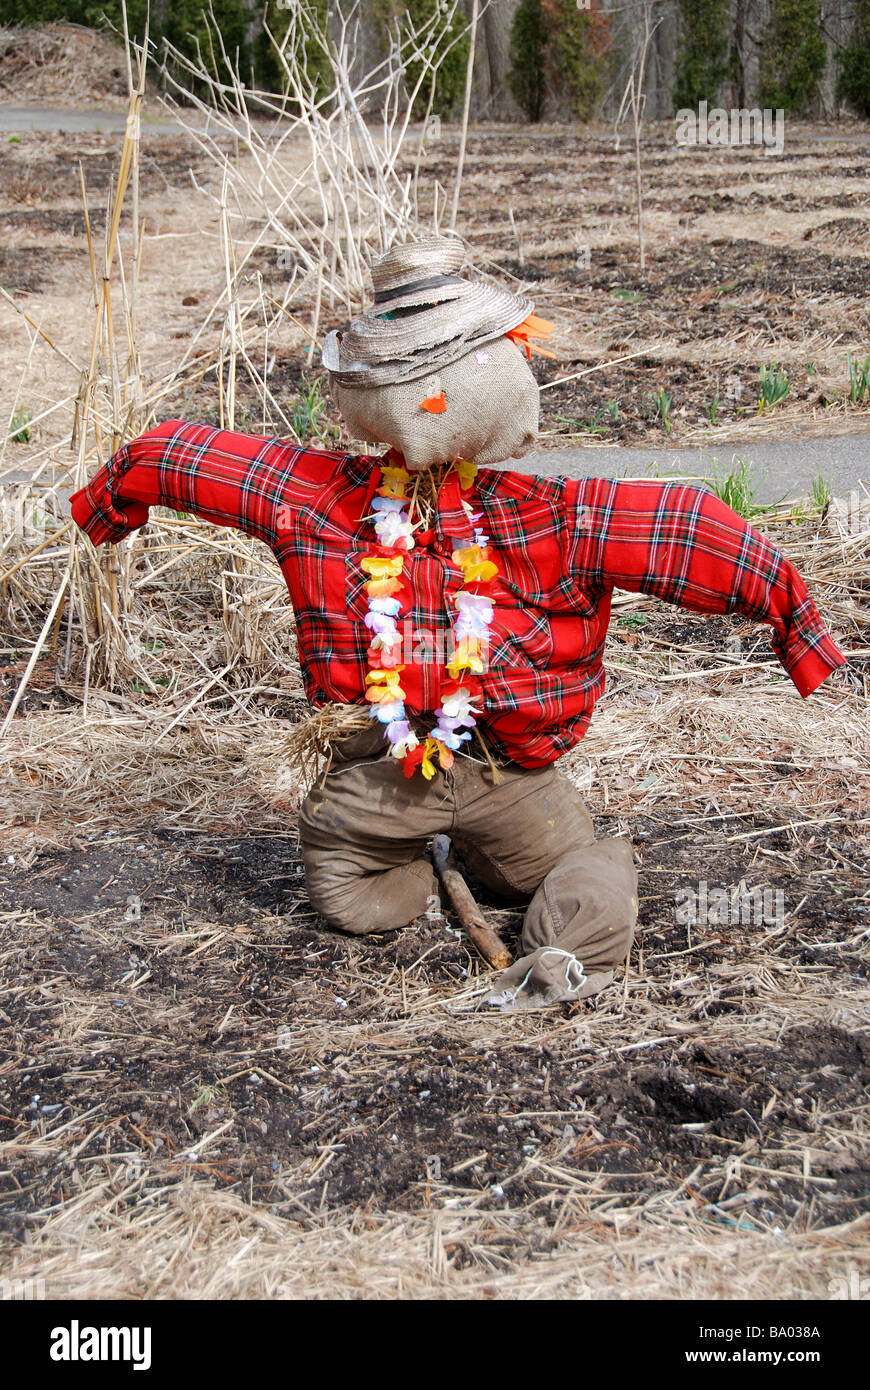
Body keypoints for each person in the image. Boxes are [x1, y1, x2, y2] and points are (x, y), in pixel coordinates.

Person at [70, 235, 847, 1011]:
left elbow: (687, 531)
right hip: (379, 776)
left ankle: (562, 955)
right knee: (348, 893)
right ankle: (418, 869)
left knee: (578, 870)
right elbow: (183, 459)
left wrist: (796, 626)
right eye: (415, 378)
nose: (432, 401)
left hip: (510, 776)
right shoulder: (315, 499)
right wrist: (111, 500)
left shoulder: (550, 519)